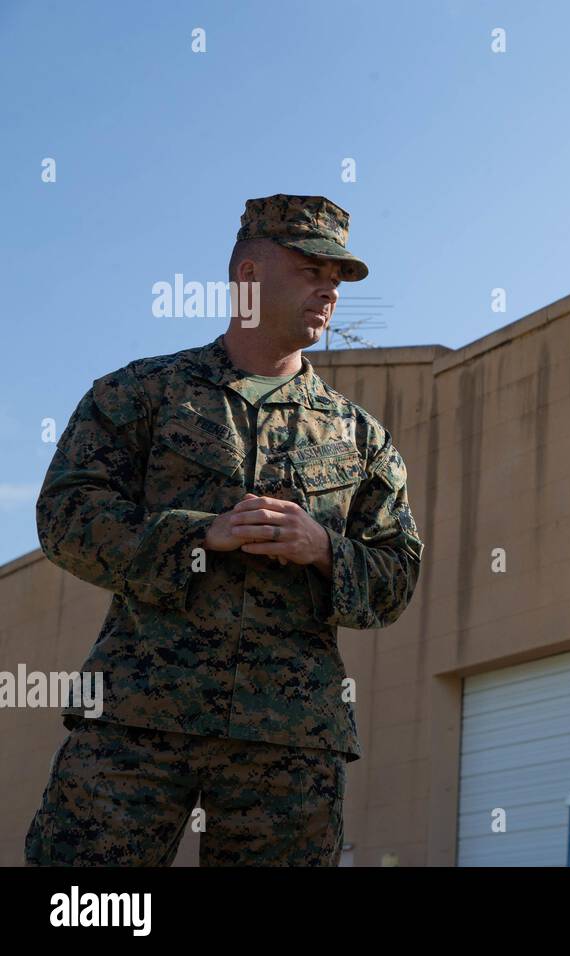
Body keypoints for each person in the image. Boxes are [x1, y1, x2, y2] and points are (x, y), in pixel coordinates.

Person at [25, 194, 423, 866]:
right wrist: (197, 536)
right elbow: (65, 515)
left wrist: (325, 550)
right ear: (246, 274)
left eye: (339, 278)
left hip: (289, 739)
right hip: (138, 718)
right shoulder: (142, 394)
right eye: (310, 268)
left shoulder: (360, 437)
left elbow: (397, 576)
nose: (328, 288)